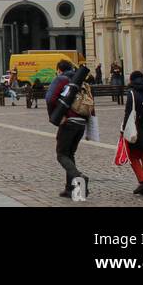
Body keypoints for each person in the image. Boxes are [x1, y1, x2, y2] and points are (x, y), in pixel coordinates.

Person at [46, 60, 89, 199]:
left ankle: (79, 177)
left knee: (61, 154)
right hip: (81, 122)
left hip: (69, 121)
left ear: (59, 69)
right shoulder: (80, 80)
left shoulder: (61, 79)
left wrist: (57, 116)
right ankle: (71, 189)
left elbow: (50, 98)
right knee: (69, 154)